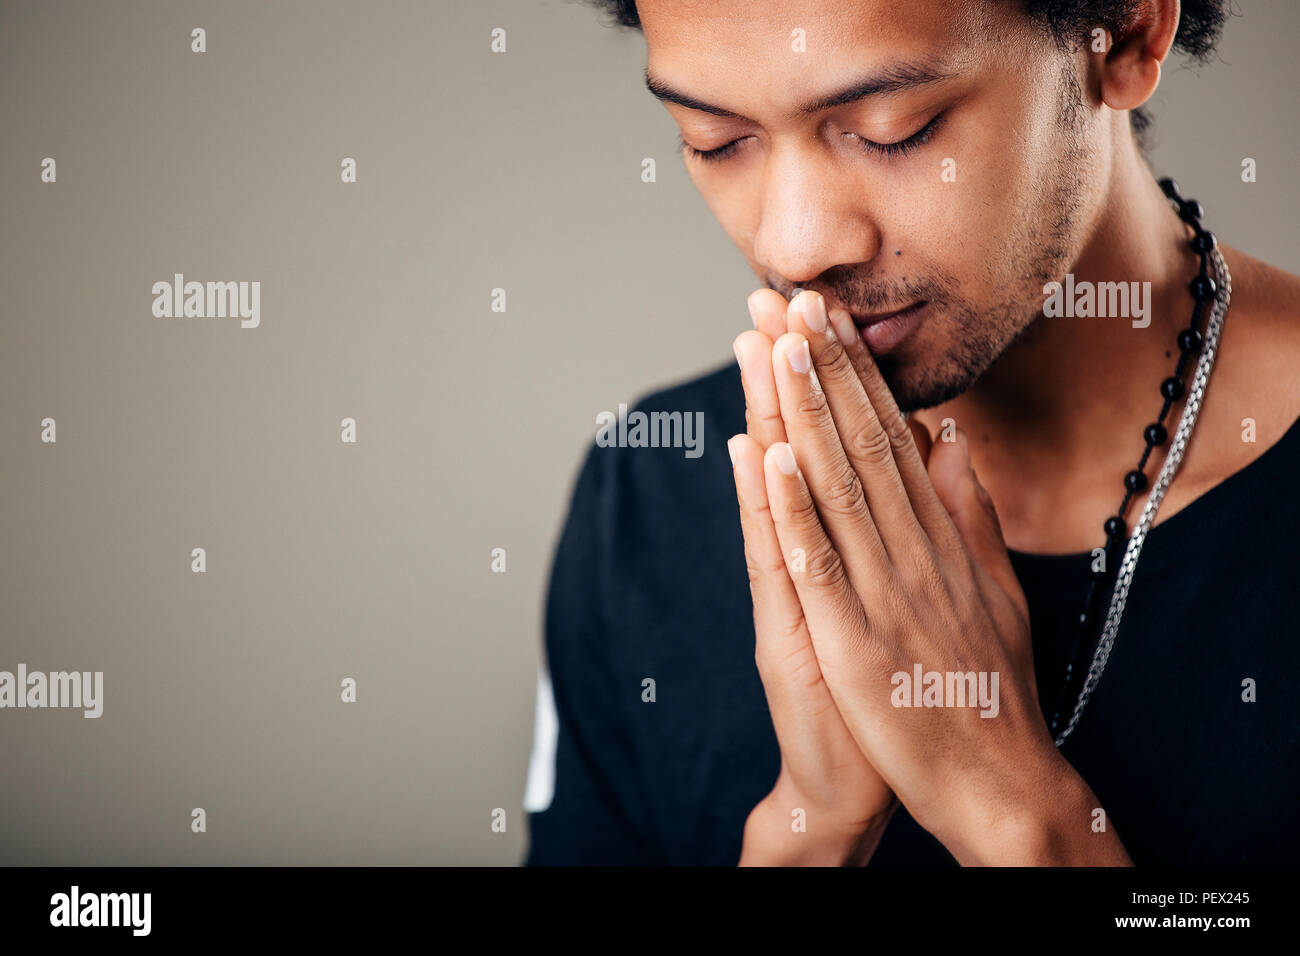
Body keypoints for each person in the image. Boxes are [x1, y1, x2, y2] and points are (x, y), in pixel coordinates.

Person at [523, 0, 1300, 865]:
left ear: (1123, 32)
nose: (795, 244)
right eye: (716, 140)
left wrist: (1016, 817)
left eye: (894, 130)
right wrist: (812, 829)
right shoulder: (644, 499)